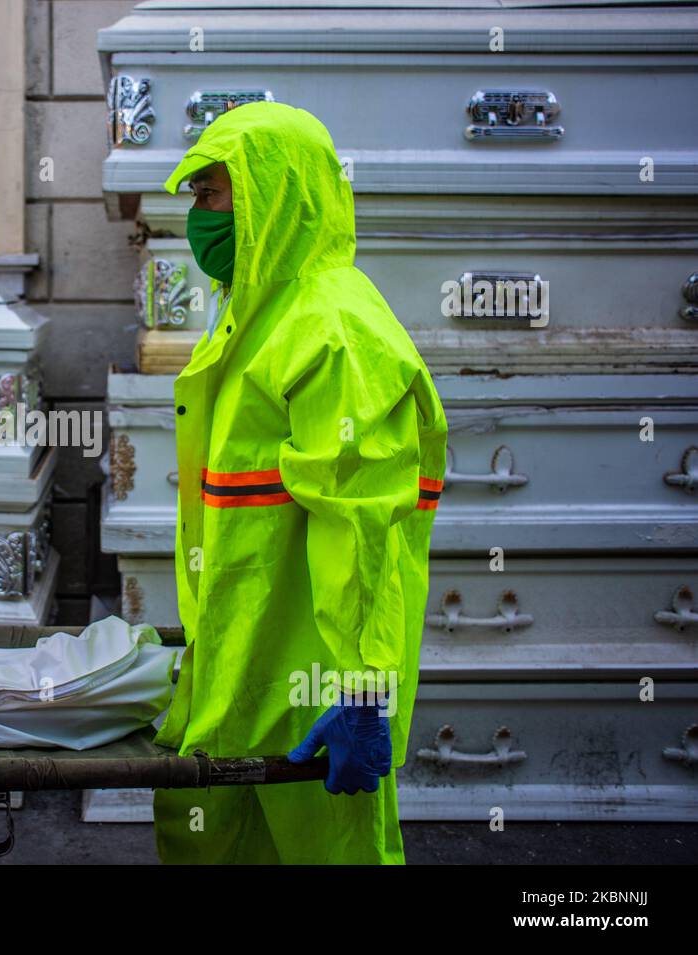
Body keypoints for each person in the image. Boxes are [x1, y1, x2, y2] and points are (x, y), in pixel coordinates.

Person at [151, 101, 449, 864]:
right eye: (195, 197)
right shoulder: (255, 316)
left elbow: (362, 531)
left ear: (268, 198)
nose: (199, 217)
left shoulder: (333, 331)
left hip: (312, 703)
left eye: (213, 194)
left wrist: (360, 694)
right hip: (238, 684)